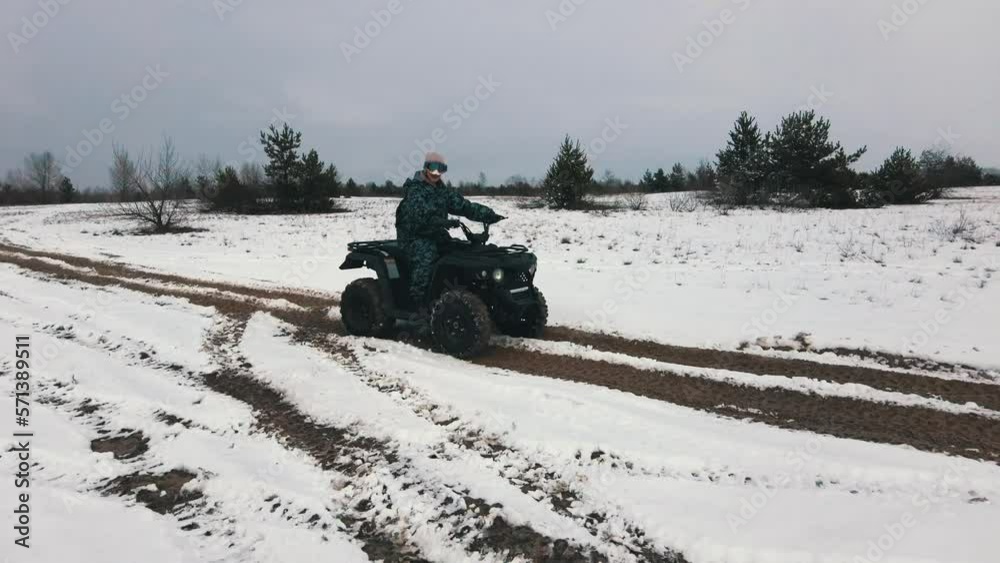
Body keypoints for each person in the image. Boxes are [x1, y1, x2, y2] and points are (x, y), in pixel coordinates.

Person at [395, 152, 503, 306]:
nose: (436, 173)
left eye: (441, 169)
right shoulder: (416, 191)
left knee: (462, 252)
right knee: (427, 257)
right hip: (414, 237)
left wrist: (488, 215)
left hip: (437, 235)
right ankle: (419, 305)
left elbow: (464, 206)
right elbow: (420, 219)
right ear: (425, 168)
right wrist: (442, 222)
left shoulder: (442, 191)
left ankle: (463, 294)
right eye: (433, 168)